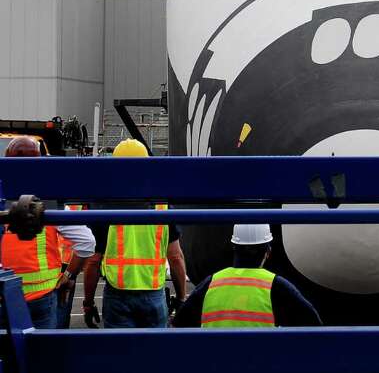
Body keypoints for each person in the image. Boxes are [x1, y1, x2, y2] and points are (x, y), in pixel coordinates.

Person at [81, 138, 189, 329]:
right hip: (153, 294)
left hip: (117, 294)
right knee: (154, 355)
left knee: (120, 355)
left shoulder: (103, 205)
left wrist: (88, 303)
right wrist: (181, 298)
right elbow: (175, 256)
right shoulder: (161, 204)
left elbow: (92, 261)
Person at [0, 136, 96, 329]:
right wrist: (68, 276)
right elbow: (87, 243)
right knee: (43, 355)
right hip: (41, 298)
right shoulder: (48, 202)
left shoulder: (3, 200)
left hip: (4, 297)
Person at [173, 224, 321, 328]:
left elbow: (179, 323)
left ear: (234, 248)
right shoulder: (277, 286)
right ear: (268, 252)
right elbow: (314, 324)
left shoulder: (211, 282)